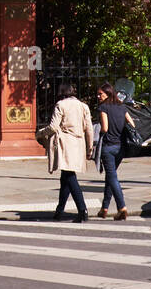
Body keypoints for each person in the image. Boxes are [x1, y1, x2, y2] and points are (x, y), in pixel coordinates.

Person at [45, 82, 94, 222]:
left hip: (65, 144)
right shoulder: (84, 106)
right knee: (65, 178)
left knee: (70, 177)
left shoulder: (61, 105)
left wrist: (40, 133)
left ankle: (82, 209)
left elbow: (53, 126)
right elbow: (89, 129)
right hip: (78, 144)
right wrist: (89, 148)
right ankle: (59, 210)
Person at [95, 81, 134, 220]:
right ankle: (104, 208)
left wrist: (98, 133)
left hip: (108, 147)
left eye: (101, 94)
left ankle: (122, 207)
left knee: (112, 177)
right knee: (110, 177)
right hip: (120, 147)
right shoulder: (122, 107)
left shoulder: (103, 108)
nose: (98, 96)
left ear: (108, 94)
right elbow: (132, 124)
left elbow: (104, 128)